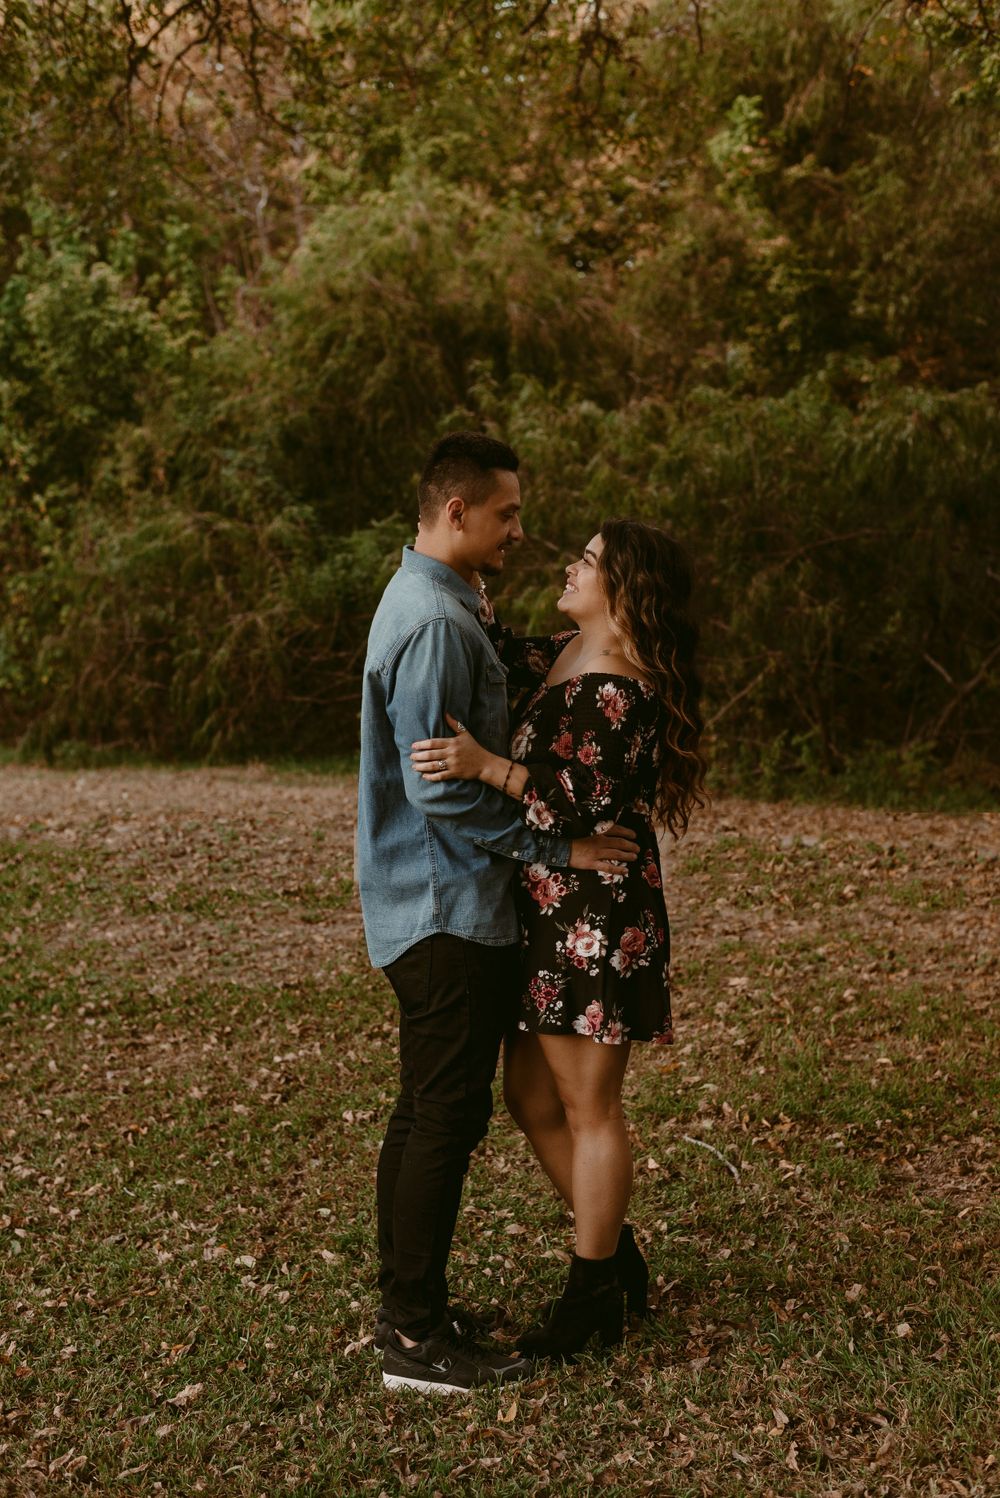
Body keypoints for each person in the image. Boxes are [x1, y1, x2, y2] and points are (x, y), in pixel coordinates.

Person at [356, 433, 641, 1394]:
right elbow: (441, 790)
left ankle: (411, 1306)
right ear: (457, 512)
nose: (522, 531)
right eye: (508, 514)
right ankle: (412, 1336)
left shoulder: (444, 604)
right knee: (444, 1115)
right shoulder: (436, 620)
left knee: (429, 1111)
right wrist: (555, 848)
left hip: (439, 897)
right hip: (444, 901)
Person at [410, 518, 707, 1358]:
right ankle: (613, 1257)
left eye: (589, 561)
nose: (570, 567)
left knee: (588, 1106)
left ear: (625, 591)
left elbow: (581, 799)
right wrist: (457, 568)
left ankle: (590, 1303)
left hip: (593, 914)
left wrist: (485, 768)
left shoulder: (623, 683)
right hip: (548, 904)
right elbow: (495, 651)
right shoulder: (571, 654)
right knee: (531, 1099)